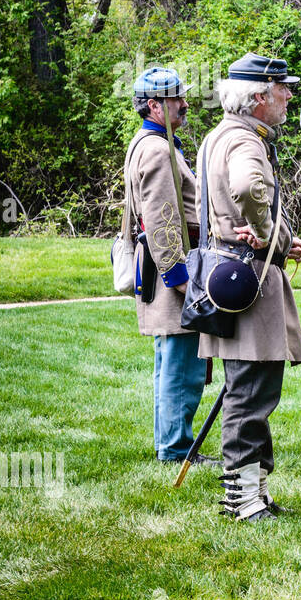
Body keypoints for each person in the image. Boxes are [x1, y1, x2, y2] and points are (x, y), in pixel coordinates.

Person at [198, 53, 301, 522]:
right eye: (282, 88)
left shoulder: (221, 133)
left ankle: (252, 494)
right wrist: (267, 232)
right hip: (251, 280)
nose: (288, 95)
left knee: (251, 390)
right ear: (259, 96)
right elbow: (246, 189)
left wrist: (278, 235)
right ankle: (242, 500)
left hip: (233, 273)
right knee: (249, 395)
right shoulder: (245, 140)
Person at [123, 66, 213, 466]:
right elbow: (161, 219)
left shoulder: (154, 141)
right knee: (182, 367)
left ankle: (171, 445)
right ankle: (176, 450)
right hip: (171, 269)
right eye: (176, 98)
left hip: (162, 267)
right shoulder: (158, 148)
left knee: (171, 363)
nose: (185, 104)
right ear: (154, 105)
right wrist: (181, 280)